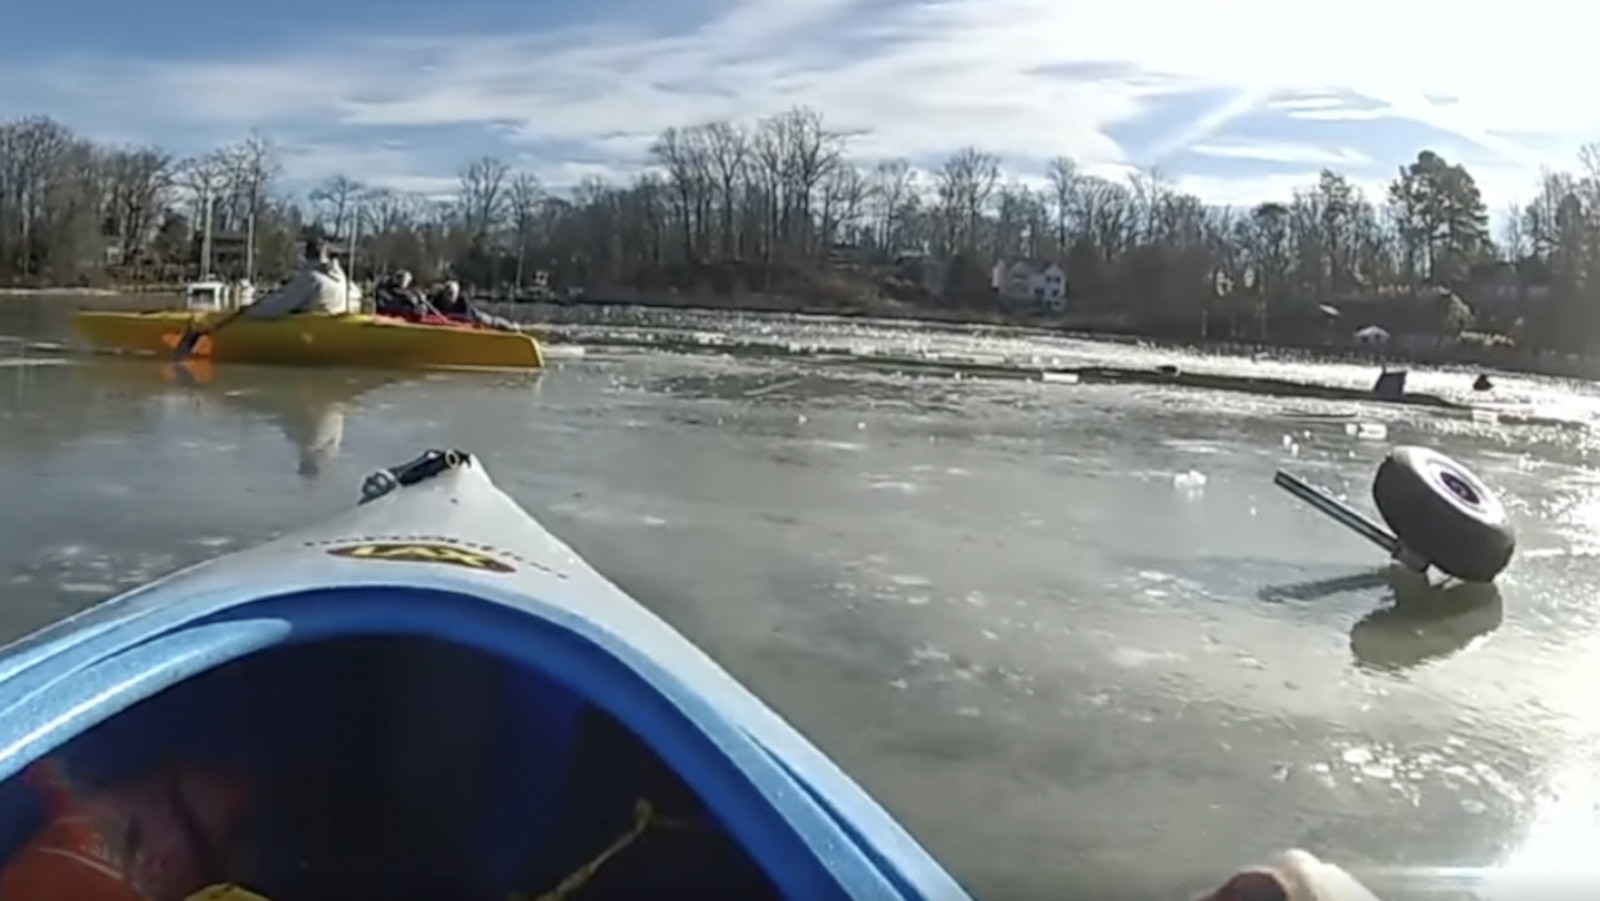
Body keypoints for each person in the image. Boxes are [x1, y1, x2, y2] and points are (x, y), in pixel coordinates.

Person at [245, 238, 353, 320]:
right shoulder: (340, 277)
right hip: (333, 328)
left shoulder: (312, 278)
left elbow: (280, 306)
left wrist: (250, 311)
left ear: (308, 255)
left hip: (312, 333)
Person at [428, 279, 519, 332]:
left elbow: (467, 317)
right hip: (448, 324)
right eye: (447, 293)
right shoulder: (434, 303)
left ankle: (512, 327)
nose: (448, 296)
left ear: (456, 294)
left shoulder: (463, 305)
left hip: (474, 318)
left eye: (451, 293)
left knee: (491, 321)